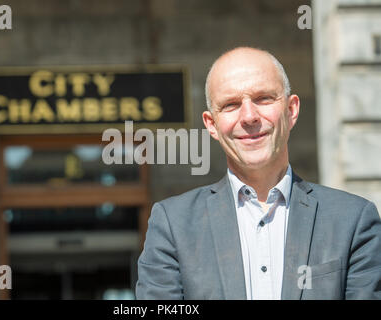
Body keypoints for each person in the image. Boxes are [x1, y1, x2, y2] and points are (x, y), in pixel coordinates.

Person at [135, 47, 381, 300]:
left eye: (263, 98)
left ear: (291, 109)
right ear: (212, 125)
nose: (249, 116)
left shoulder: (353, 221)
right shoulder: (172, 225)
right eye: (230, 105)